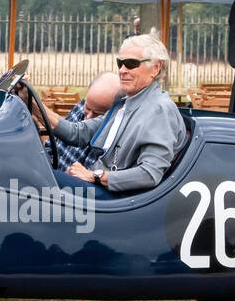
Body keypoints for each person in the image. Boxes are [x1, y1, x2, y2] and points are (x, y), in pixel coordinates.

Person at [31, 35, 187, 193]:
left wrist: (95, 176)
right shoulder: (127, 103)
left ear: (156, 68)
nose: (122, 70)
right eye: (120, 63)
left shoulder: (160, 109)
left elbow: (149, 174)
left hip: (116, 198)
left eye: (131, 64)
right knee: (33, 174)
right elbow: (77, 133)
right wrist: (31, 102)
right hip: (100, 189)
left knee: (33, 181)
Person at [55, 71, 120, 169]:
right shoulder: (80, 107)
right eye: (88, 108)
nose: (89, 116)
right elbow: (51, 145)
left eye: (98, 114)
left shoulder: (112, 138)